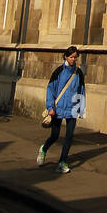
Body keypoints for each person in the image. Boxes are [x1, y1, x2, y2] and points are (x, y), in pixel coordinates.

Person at [37, 45, 86, 173]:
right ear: (65, 56)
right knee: (55, 135)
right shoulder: (59, 71)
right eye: (71, 57)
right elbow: (50, 89)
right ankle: (43, 149)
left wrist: (80, 109)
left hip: (71, 109)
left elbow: (81, 91)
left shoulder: (79, 73)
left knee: (69, 137)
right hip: (58, 108)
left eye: (75, 57)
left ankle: (62, 162)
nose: (73, 60)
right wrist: (50, 107)